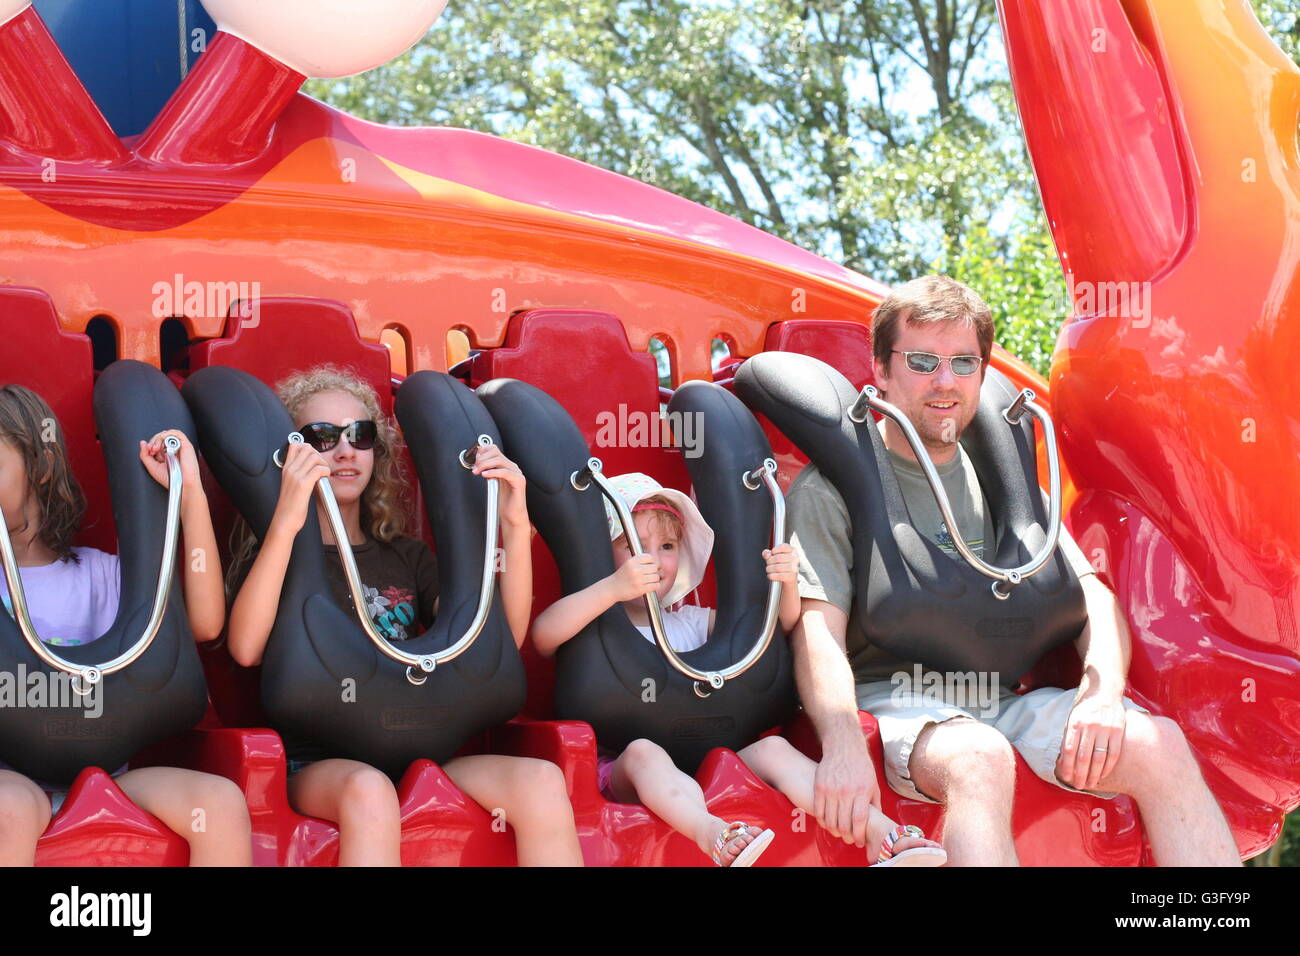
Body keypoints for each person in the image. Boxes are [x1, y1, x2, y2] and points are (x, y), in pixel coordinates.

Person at [785, 275, 1240, 866]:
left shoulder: (1007, 481)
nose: (944, 382)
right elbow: (815, 630)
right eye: (922, 361)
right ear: (880, 368)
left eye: (963, 363)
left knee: (1161, 744)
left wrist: (1102, 696)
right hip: (895, 700)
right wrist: (842, 740)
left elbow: (1093, 600)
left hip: (1000, 696)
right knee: (980, 756)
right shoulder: (831, 489)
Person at [226, 365, 583, 866]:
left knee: (541, 780)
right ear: (293, 452)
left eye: (361, 435)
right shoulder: (280, 556)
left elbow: (500, 635)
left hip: (421, 745)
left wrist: (514, 523)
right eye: (323, 437)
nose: (346, 451)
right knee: (370, 790)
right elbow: (246, 648)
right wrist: (286, 518)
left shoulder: (405, 556)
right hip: (323, 760)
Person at [532, 472, 945, 867]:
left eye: (668, 547)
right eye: (634, 546)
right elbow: (543, 636)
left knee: (775, 750)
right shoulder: (598, 620)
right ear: (606, 553)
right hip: (627, 764)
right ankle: (713, 833)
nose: (654, 560)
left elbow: (770, 632)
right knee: (646, 753)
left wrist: (784, 586)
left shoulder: (690, 621)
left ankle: (882, 833)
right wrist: (612, 589)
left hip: (708, 748)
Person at [0, 383, 252, 867]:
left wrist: (190, 494)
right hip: (12, 777)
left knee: (219, 804)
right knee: (8, 809)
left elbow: (204, 623)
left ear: (41, 467)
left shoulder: (102, 574)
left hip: (108, 773)